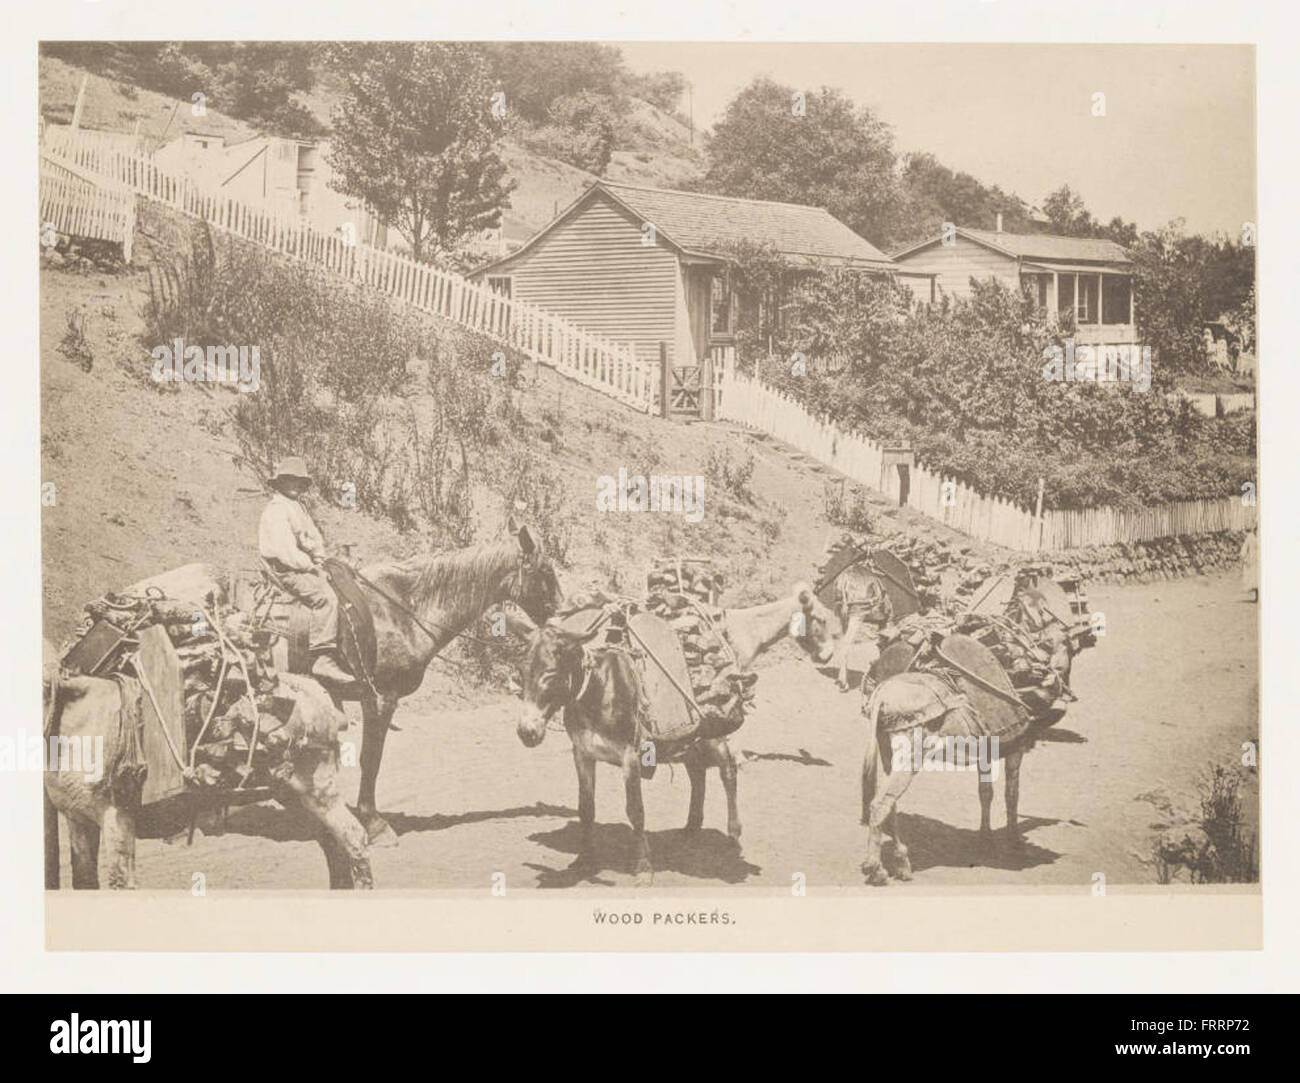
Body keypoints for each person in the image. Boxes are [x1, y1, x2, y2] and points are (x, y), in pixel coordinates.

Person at [258, 458, 352, 684]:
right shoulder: (277, 510)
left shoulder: (298, 508)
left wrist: (321, 560)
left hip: (301, 565)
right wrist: (311, 568)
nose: (295, 485)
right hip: (284, 570)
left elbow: (312, 540)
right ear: (279, 483)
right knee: (326, 598)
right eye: (289, 479)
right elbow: (285, 551)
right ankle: (322, 657)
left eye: (299, 481)